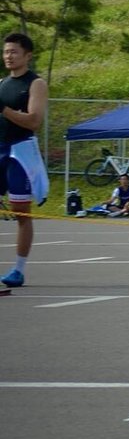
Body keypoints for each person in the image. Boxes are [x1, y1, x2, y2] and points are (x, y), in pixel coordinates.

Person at [1, 33, 50, 288]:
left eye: (14, 52)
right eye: (6, 52)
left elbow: (34, 121)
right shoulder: (2, 83)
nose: (8, 56)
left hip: (20, 151)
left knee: (21, 213)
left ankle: (18, 270)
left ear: (27, 55)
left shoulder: (35, 83)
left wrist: (4, 110)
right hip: (0, 147)